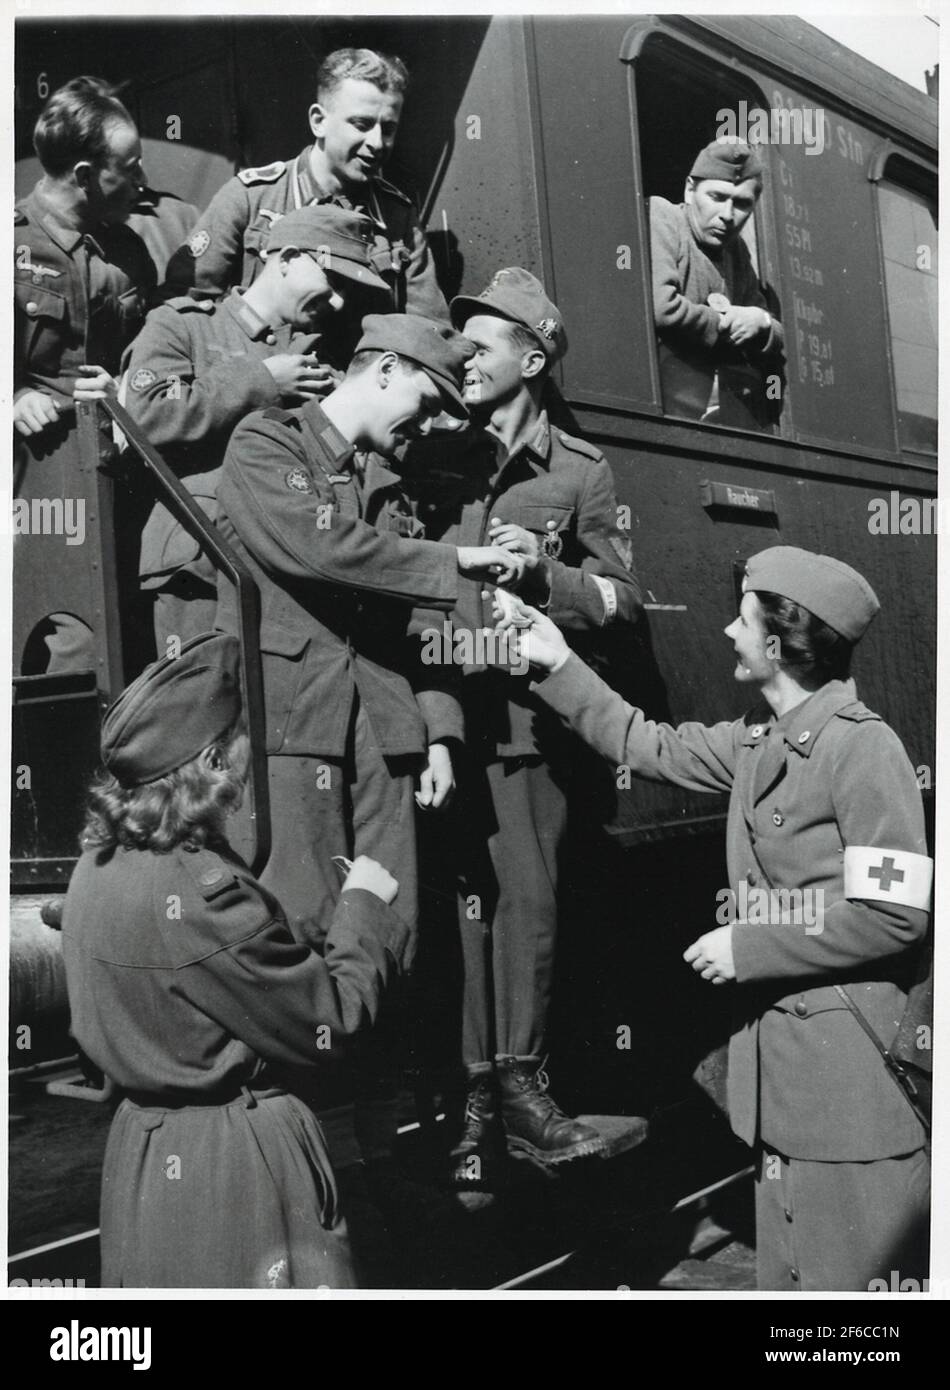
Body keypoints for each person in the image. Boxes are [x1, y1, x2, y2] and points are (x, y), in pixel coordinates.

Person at [500, 546, 932, 1291]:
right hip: (788, 1084)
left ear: (780, 642)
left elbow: (894, 917)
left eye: (743, 619)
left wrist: (750, 947)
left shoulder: (864, 749)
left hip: (851, 1088)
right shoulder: (760, 739)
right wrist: (558, 659)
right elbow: (646, 743)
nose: (729, 632)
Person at [215, 312, 522, 1165]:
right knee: (302, 922)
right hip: (296, 728)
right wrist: (454, 563)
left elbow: (415, 625)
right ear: (384, 370)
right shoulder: (263, 443)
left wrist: (440, 732)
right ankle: (300, 1139)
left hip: (385, 737)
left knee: (394, 929)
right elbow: (327, 551)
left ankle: (382, 1148)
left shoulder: (385, 478)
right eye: (426, 402)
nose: (429, 425)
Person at [61, 632, 412, 1288]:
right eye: (244, 735)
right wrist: (364, 907)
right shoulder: (206, 898)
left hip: (141, 1162)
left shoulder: (94, 869)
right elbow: (331, 1022)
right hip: (239, 1169)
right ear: (215, 759)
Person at [407, 268, 641, 1182]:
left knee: (529, 908)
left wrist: (545, 577)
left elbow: (623, 599)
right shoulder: (432, 453)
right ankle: (475, 1104)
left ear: (532, 360)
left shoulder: (581, 471)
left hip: (531, 724)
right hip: (445, 716)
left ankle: (523, 1089)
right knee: (465, 911)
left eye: (482, 344)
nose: (463, 357)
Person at [124, 205, 390, 646]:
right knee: (204, 684)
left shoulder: (322, 356)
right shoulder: (185, 325)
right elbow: (146, 416)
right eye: (332, 280)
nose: (339, 301)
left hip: (291, 562)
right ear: (288, 259)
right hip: (203, 558)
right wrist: (264, 380)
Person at [14, 76, 155, 673]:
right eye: (130, 166)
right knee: (66, 645)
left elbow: (151, 354)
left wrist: (126, 390)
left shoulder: (128, 252)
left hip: (116, 476)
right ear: (84, 174)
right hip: (34, 490)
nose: (143, 179)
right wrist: (12, 398)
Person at [163, 47, 446, 323]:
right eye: (362, 124)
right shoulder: (251, 198)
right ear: (319, 121)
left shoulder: (398, 217)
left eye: (388, 129)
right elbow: (181, 310)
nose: (377, 142)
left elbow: (430, 326)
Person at [649, 137, 784, 429]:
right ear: (690, 190)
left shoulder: (736, 252)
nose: (727, 215)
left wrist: (760, 320)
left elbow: (772, 329)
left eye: (742, 204)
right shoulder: (663, 216)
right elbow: (662, 308)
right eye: (717, 197)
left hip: (704, 417)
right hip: (658, 411)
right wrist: (727, 322)